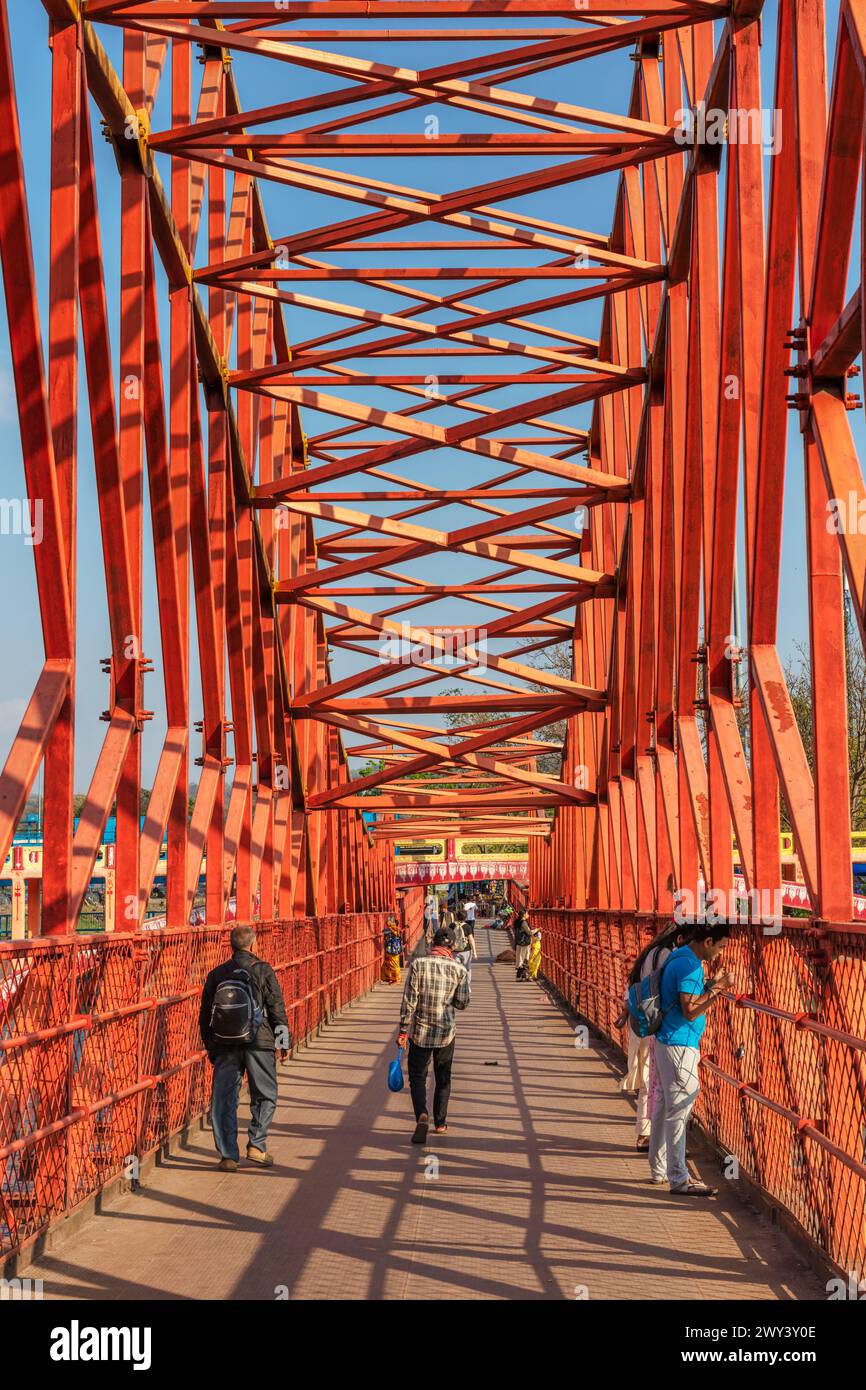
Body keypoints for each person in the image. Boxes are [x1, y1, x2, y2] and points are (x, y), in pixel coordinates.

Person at [649, 920, 734, 1196]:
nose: (720, 953)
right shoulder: (690, 964)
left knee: (664, 1106)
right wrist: (719, 987)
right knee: (679, 1109)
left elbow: (685, 998)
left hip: (667, 1040)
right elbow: (690, 1010)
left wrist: (708, 984)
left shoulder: (680, 955)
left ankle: (660, 1167)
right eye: (720, 947)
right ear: (708, 942)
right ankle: (679, 1178)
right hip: (679, 1044)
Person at [199, 925, 290, 1171]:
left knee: (223, 1100)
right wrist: (283, 1041)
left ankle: (228, 1155)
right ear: (253, 945)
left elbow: (205, 1014)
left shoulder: (217, 974)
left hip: (225, 1043)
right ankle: (256, 1145)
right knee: (265, 1094)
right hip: (259, 1042)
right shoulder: (262, 970)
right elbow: (276, 1008)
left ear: (231, 945)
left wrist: (211, 1045)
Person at [619, 921, 692, 1151]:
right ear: (680, 939)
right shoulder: (668, 956)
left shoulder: (650, 953)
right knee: (654, 1080)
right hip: (655, 1023)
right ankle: (650, 1136)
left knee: (648, 1077)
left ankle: (649, 1134)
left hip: (640, 1017)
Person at [397, 925, 471, 1143]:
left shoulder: (418, 965)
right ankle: (440, 1123)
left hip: (421, 1031)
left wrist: (403, 1029)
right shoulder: (459, 970)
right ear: (453, 947)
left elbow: (409, 1001)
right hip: (446, 1032)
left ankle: (422, 1113)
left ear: (433, 943)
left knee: (418, 1076)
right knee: (443, 1077)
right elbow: (463, 1002)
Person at [381, 918, 403, 985]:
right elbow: (384, 931)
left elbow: (383, 931)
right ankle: (391, 979)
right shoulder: (391, 929)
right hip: (390, 950)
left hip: (393, 950)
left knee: (394, 965)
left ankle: (396, 979)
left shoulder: (395, 930)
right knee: (388, 965)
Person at [514, 910, 532, 979]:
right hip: (525, 943)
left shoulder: (516, 921)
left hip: (518, 942)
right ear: (524, 915)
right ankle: (520, 976)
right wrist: (537, 929)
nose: (528, 914)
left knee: (520, 959)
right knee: (525, 959)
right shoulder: (523, 922)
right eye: (527, 913)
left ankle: (523, 976)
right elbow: (529, 932)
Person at [462, 894, 479, 959]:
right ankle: (472, 941)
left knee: (466, 930)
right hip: (472, 919)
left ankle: (467, 940)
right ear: (471, 899)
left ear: (467, 899)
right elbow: (476, 910)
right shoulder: (474, 904)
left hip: (466, 919)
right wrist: (474, 915)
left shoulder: (465, 905)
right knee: (471, 930)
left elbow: (463, 911)